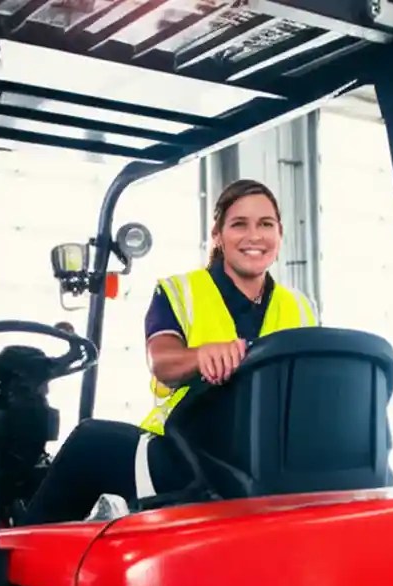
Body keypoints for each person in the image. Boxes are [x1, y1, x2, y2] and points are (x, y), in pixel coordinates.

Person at [18, 179, 319, 525]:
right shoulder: (182, 291)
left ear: (279, 235)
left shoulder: (299, 305)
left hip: (196, 461)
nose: (254, 236)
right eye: (239, 224)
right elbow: (162, 360)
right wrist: (201, 355)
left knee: (90, 441)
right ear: (218, 236)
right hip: (276, 464)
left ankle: (16, 559)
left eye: (266, 224)